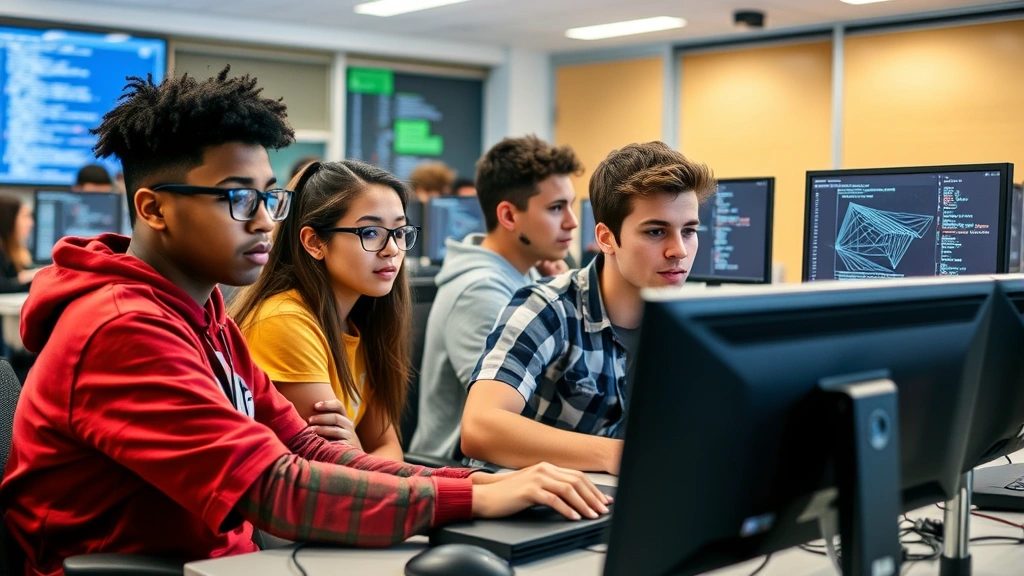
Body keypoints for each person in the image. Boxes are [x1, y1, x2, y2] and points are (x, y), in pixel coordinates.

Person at [0, 67, 609, 575]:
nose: (266, 221)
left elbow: (303, 446)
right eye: (239, 197)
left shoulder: (203, 312)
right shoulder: (120, 329)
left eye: (270, 197)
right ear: (154, 208)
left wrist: (477, 486)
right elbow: (274, 488)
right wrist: (472, 494)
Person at [461, 141, 716, 474]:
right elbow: (480, 428)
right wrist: (619, 455)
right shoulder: (548, 308)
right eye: (656, 232)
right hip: (528, 513)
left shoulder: (688, 324)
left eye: (689, 231)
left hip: (625, 505)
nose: (679, 250)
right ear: (606, 238)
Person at [409, 135, 581, 460]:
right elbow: (513, 414)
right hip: (460, 469)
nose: (572, 222)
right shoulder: (480, 290)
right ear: (509, 216)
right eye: (556, 208)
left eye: (570, 205)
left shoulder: (524, 273)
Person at [232, 160, 418, 462]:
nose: (392, 249)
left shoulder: (364, 321)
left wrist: (358, 450)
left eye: (399, 232)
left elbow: (389, 450)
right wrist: (358, 453)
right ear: (315, 242)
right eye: (370, 232)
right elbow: (336, 466)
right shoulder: (283, 322)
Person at [0, 194, 37, 293]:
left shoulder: (16, 249)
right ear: (8, 219)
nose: (31, 223)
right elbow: (3, 285)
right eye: (25, 216)